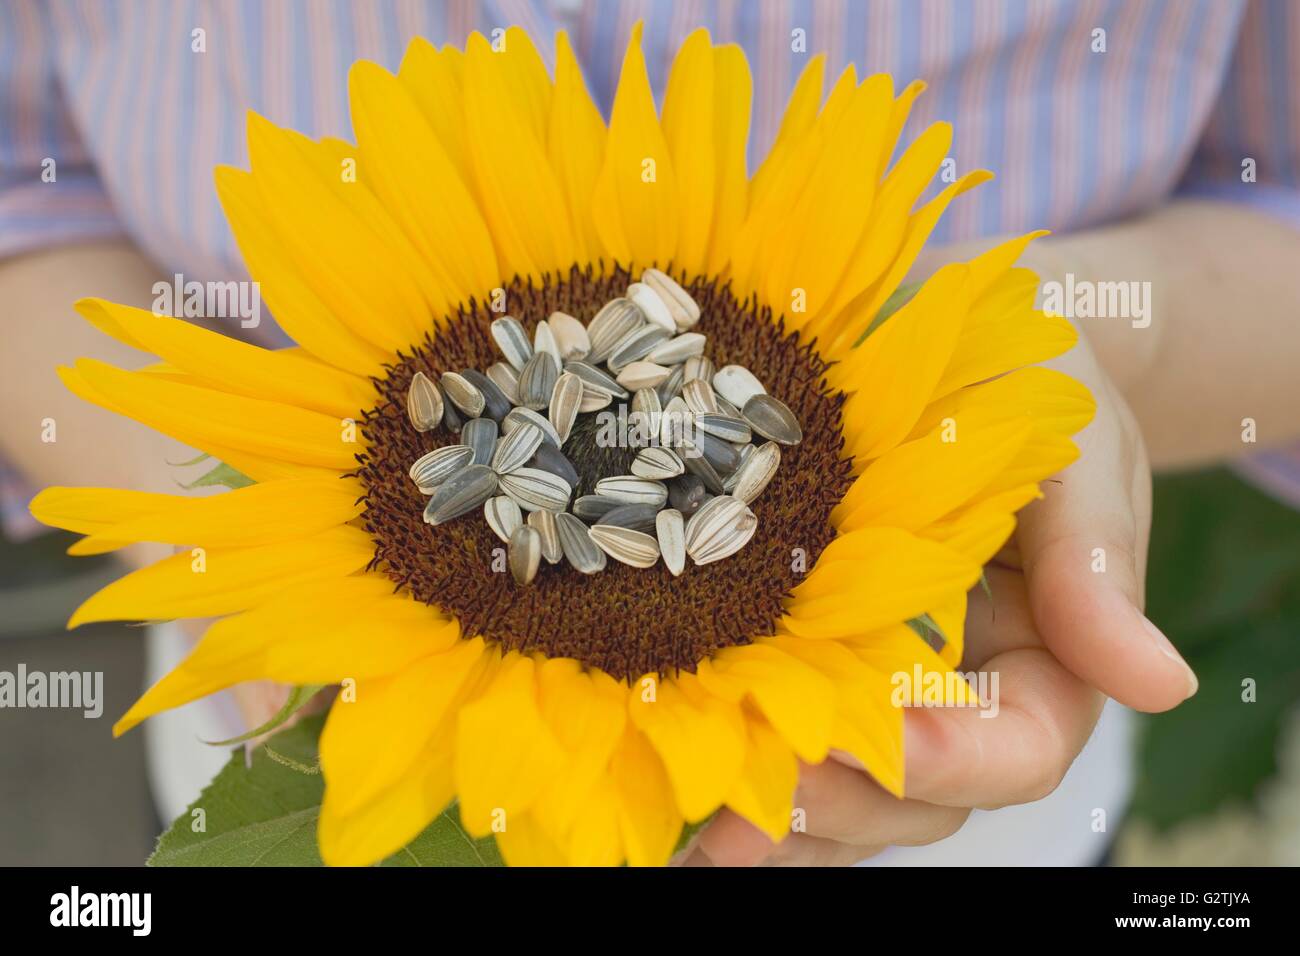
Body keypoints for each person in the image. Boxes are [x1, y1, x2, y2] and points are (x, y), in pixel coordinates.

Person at [2, 0, 1297, 866]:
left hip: (965, 779)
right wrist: (258, 575)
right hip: (307, 694)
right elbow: (21, 188)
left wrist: (1040, 346)